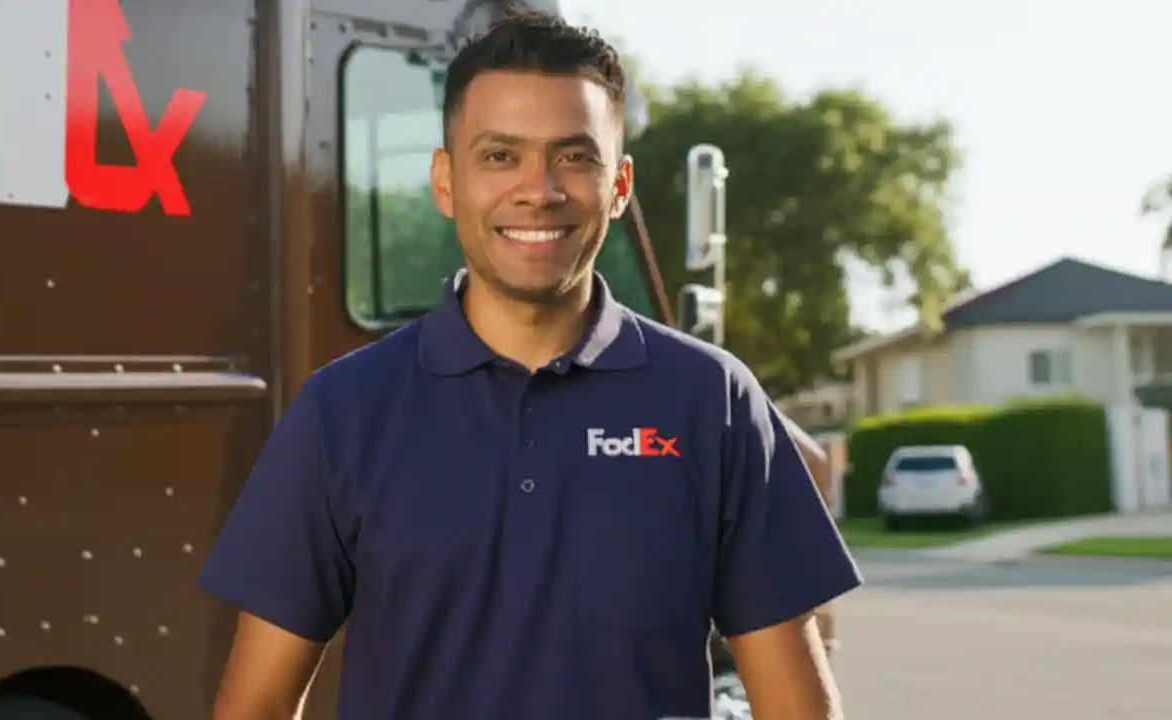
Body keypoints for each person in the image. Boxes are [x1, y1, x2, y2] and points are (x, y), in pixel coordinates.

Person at [197, 9, 862, 720]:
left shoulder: (714, 401)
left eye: (574, 156)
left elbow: (798, 708)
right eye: (499, 156)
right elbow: (257, 705)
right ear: (446, 182)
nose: (539, 189)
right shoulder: (343, 412)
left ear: (620, 184)